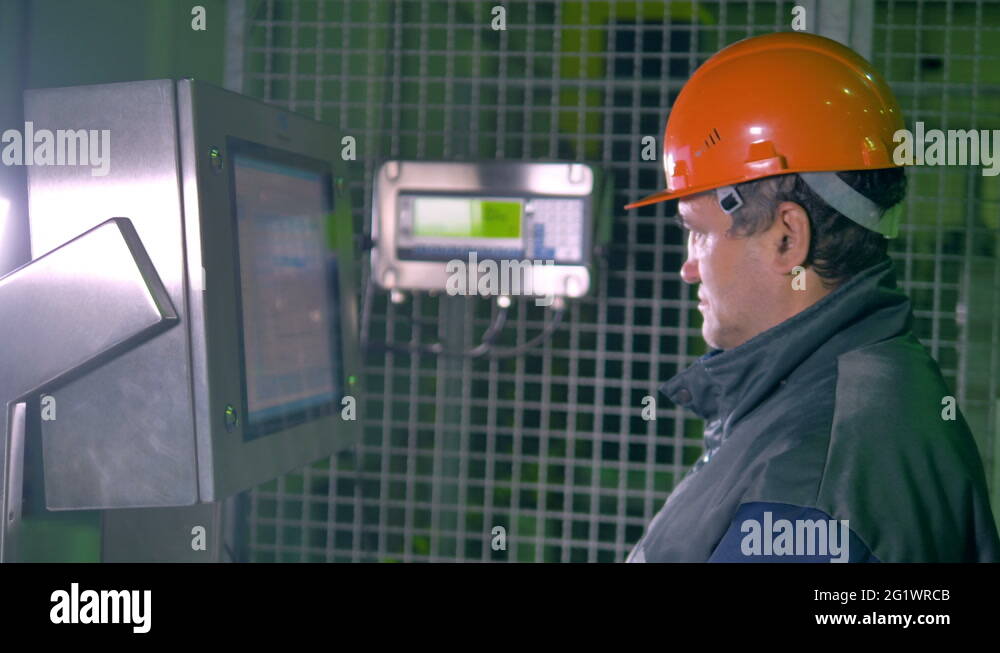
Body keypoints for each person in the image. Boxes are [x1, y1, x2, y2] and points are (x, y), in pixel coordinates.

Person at [623, 31, 1000, 562]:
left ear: (786, 237)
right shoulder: (864, 385)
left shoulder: (807, 492)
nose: (688, 267)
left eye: (699, 231)